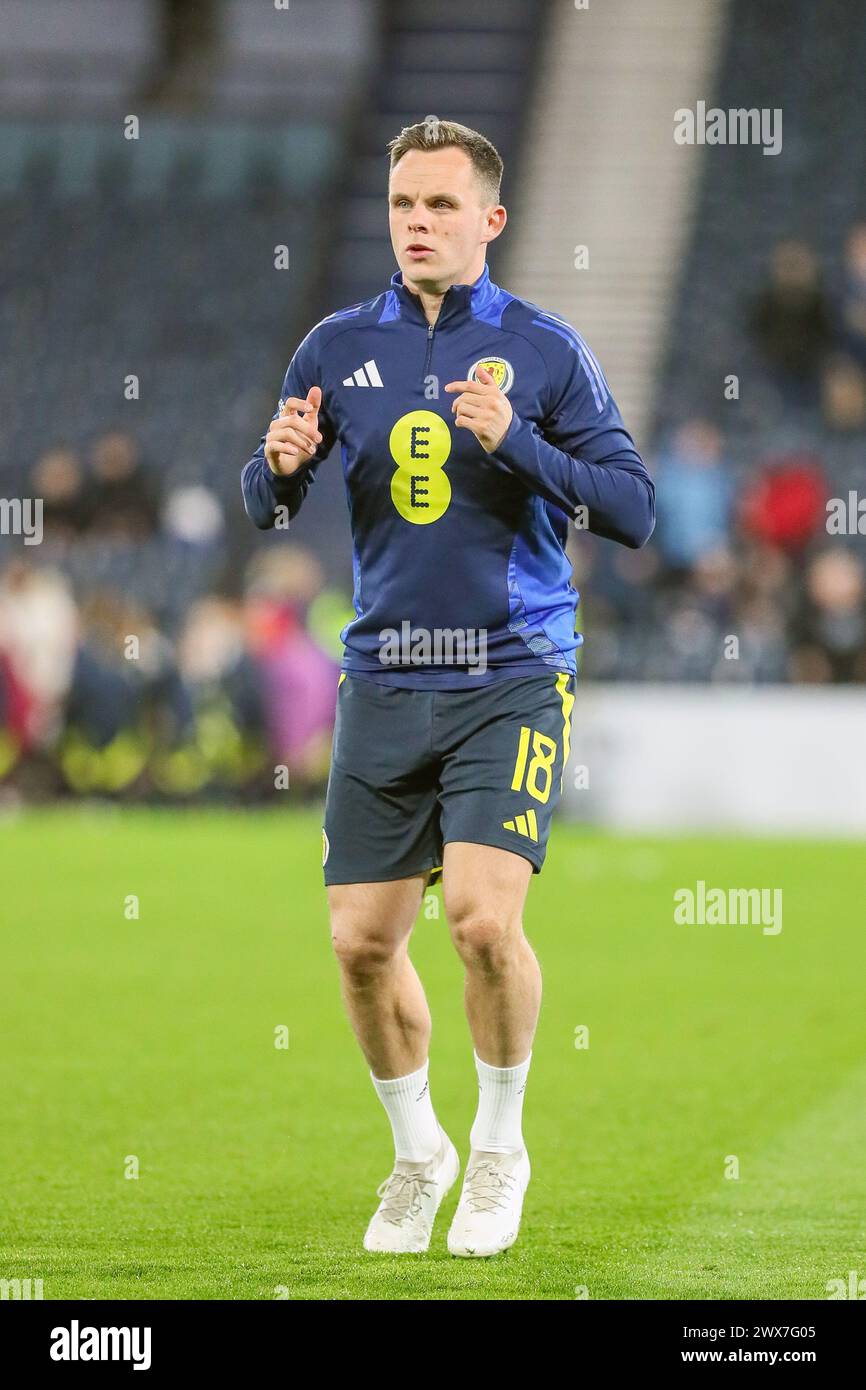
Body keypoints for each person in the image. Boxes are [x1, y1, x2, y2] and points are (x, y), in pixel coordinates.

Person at [241, 118, 655, 1258]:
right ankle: (417, 1150)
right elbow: (268, 501)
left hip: (509, 671)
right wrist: (272, 473)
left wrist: (517, 441)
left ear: (490, 220)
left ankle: (500, 1147)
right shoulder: (333, 346)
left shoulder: (544, 349)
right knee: (361, 944)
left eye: (438, 205)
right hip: (383, 675)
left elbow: (628, 510)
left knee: (478, 919)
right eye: (401, 205)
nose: (415, 224)